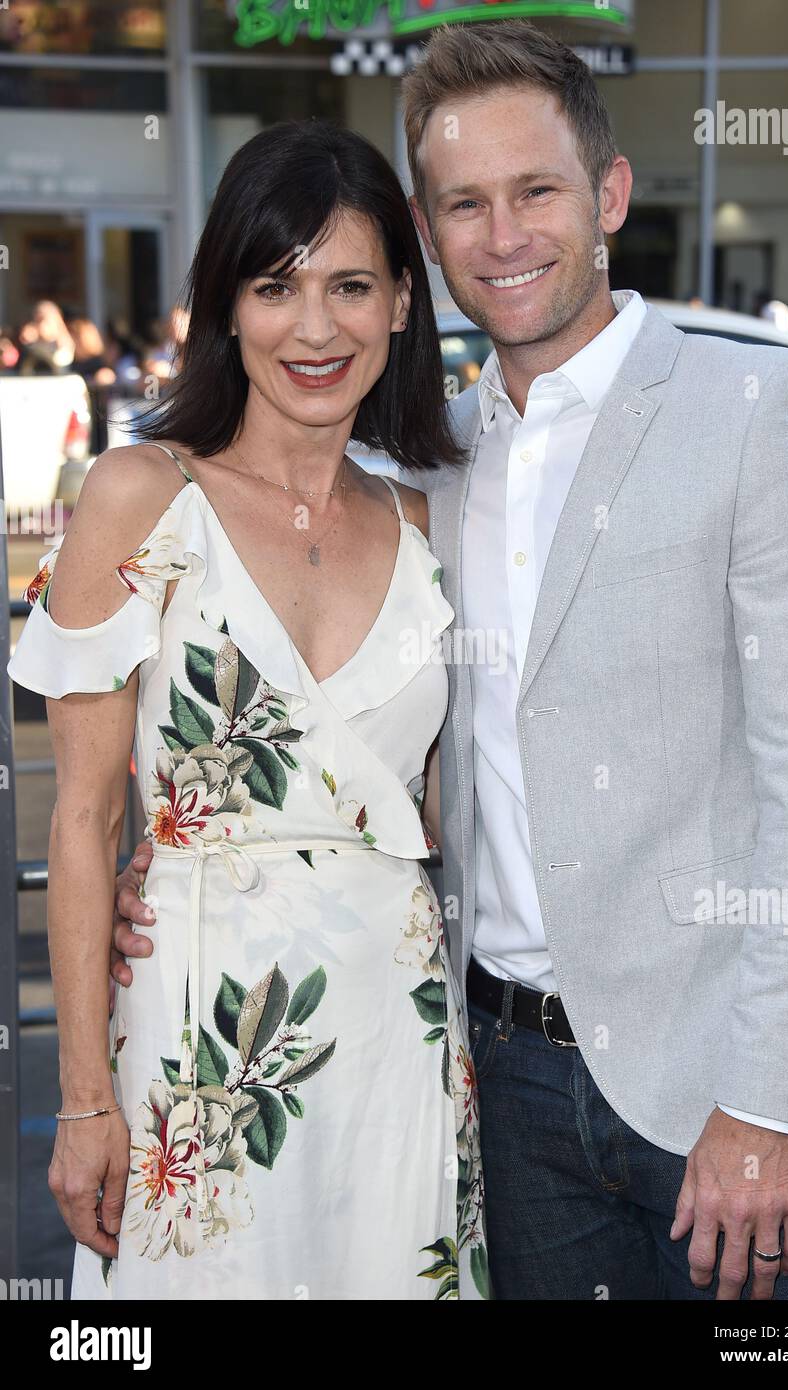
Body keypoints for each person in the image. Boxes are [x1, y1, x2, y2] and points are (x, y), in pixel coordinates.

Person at [112, 20, 788, 1302]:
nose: (503, 234)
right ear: (425, 236)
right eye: (463, 204)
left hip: (729, 1087)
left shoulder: (761, 410)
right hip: (500, 1088)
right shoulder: (425, 471)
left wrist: (768, 1100)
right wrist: (178, 850)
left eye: (534, 191)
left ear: (607, 194)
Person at [8, 119, 488, 1301]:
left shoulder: (426, 527)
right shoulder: (138, 498)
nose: (314, 327)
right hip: (196, 1056)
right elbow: (77, 826)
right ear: (226, 304)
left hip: (398, 1038)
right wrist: (84, 1099)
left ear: (401, 306)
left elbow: (441, 807)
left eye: (350, 286)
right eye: (276, 286)